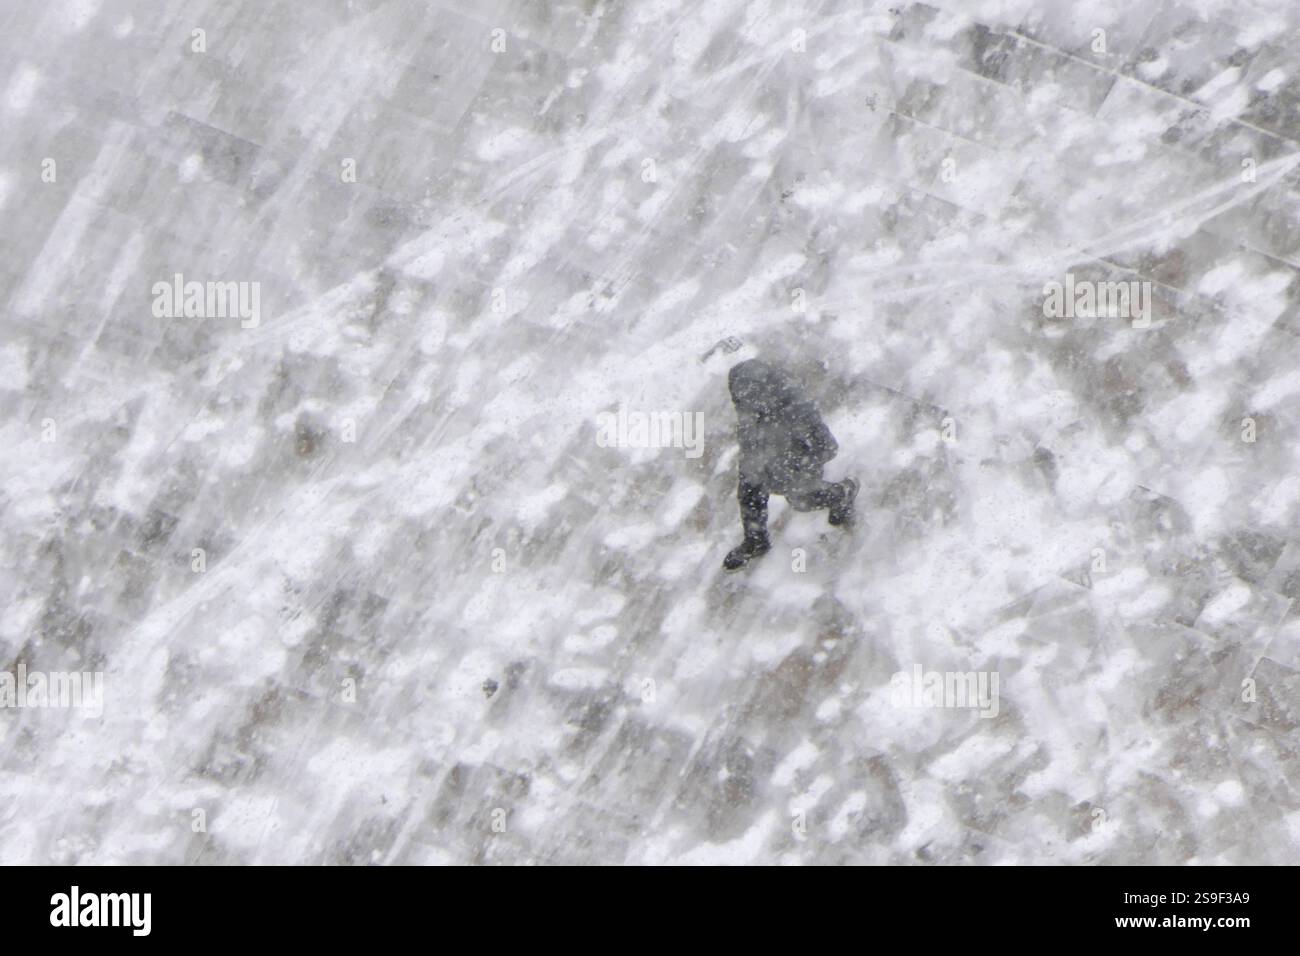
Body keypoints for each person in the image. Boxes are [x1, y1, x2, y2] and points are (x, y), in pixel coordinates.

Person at [723, 359, 857, 571]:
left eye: (748, 396)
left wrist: (802, 461)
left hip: (794, 459)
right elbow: (748, 433)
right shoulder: (747, 402)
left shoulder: (794, 403)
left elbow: (827, 445)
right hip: (763, 456)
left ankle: (842, 492)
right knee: (749, 492)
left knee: (801, 500)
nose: (742, 402)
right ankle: (756, 541)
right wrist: (751, 462)